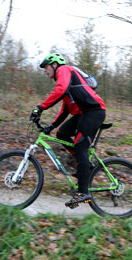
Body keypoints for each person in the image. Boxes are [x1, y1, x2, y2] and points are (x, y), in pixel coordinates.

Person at [30, 53, 106, 208]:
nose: (45, 70)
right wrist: (51, 127)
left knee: (80, 145)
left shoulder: (64, 70)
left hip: (94, 111)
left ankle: (83, 192)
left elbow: (60, 90)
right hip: (83, 113)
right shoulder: (67, 86)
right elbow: (65, 110)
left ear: (55, 65)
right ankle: (86, 165)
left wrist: (40, 107)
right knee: (62, 133)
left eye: (46, 67)